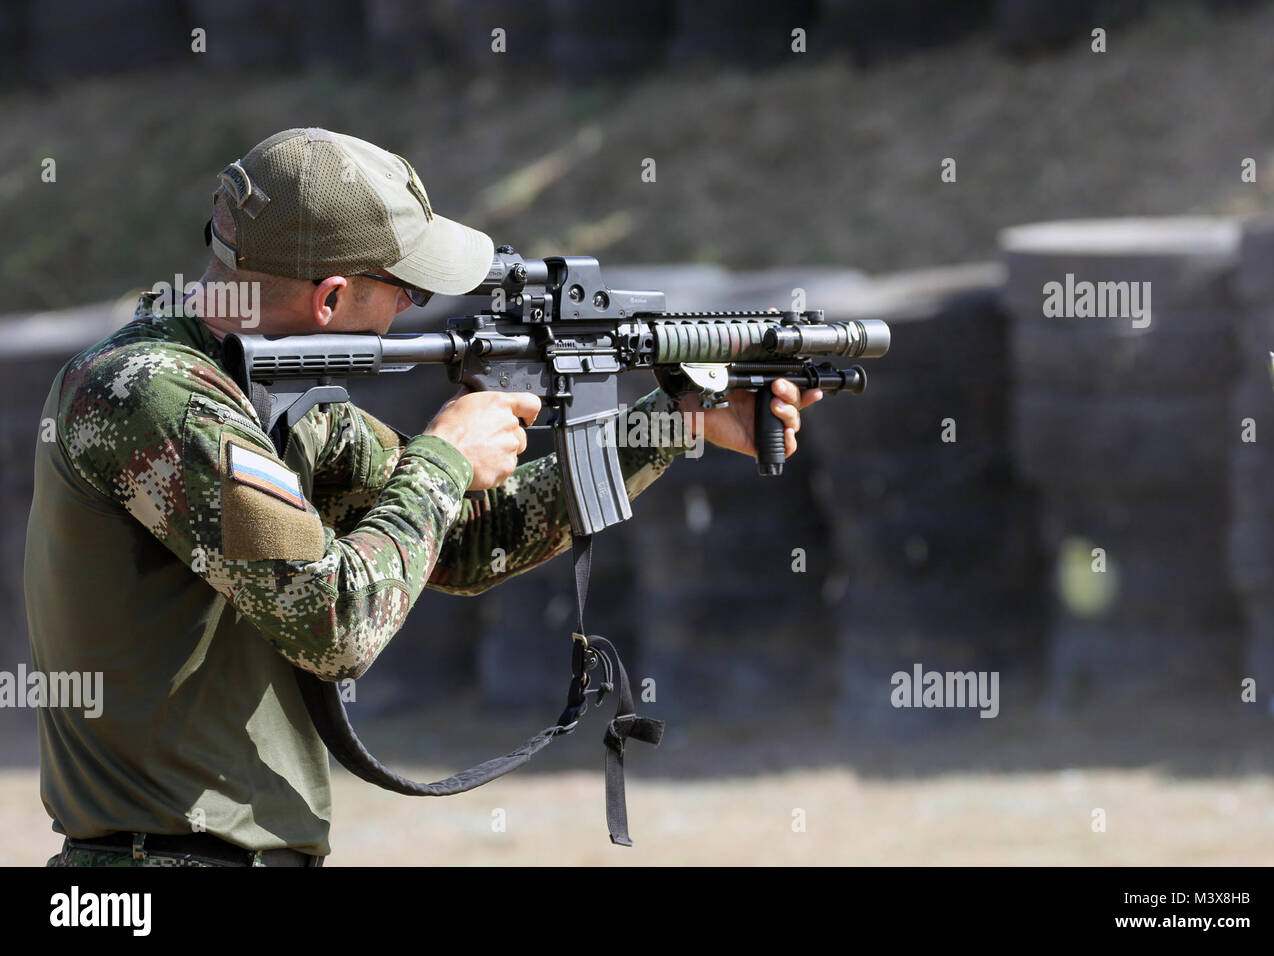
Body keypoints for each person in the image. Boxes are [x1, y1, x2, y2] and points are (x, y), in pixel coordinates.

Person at [25, 128, 821, 867]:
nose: (412, 307)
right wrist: (442, 458)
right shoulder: (152, 396)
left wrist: (677, 419)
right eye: (402, 287)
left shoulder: (255, 393)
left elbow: (476, 537)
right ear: (331, 299)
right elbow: (332, 623)